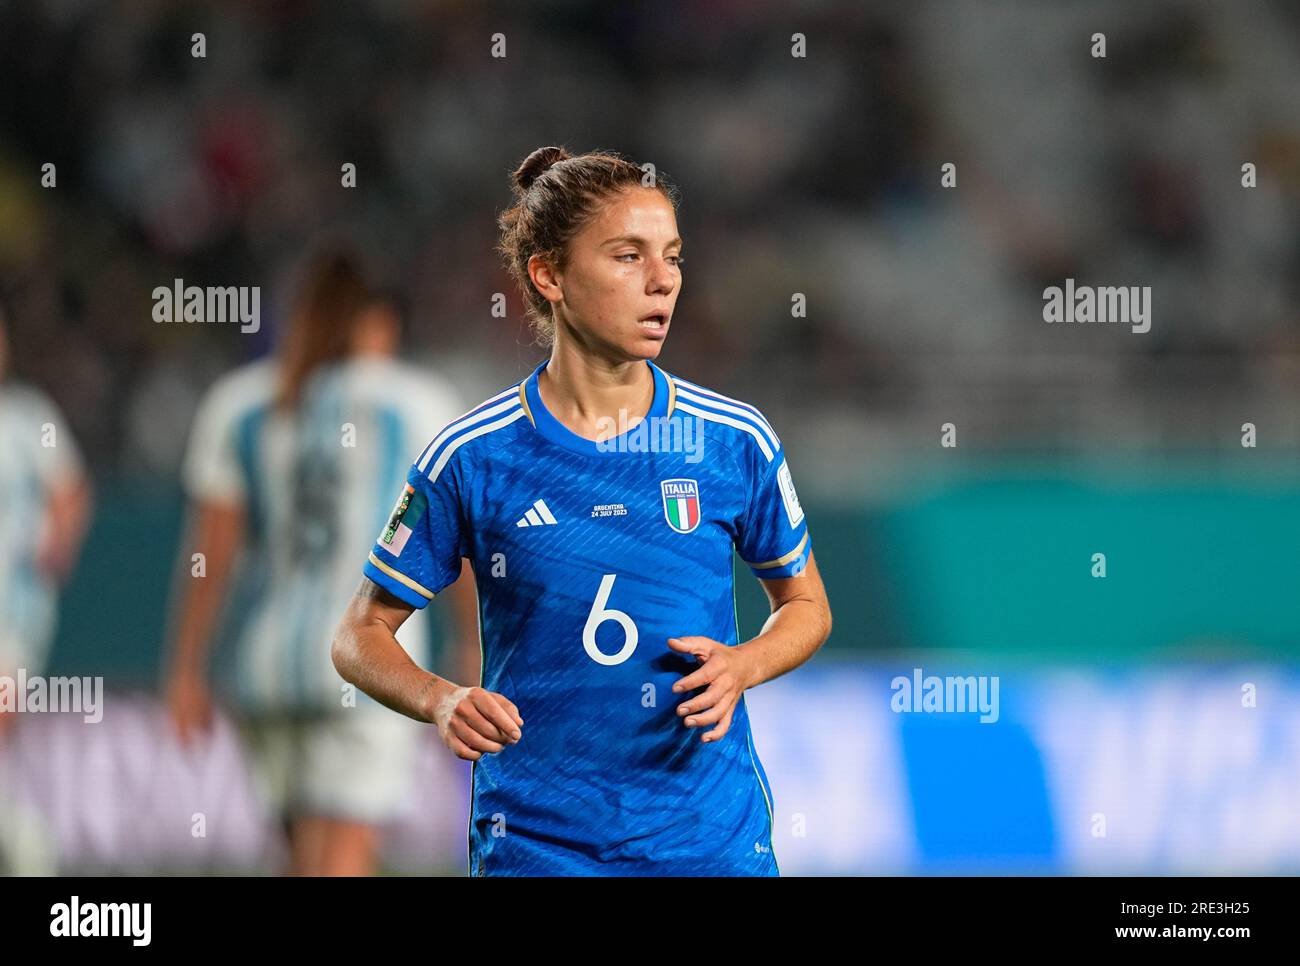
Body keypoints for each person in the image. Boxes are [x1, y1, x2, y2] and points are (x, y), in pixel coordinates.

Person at [332, 146, 832, 876]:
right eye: (628, 256)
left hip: (707, 842)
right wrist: (440, 699)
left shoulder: (732, 440)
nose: (663, 281)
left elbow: (807, 604)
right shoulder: (473, 456)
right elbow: (359, 633)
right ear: (549, 274)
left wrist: (743, 664)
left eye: (673, 257)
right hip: (538, 846)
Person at [163, 250, 477, 875]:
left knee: (305, 855)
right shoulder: (415, 402)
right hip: (370, 661)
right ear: (378, 322)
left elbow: (210, 558)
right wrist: (473, 642)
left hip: (266, 666)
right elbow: (455, 539)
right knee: (342, 853)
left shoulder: (242, 405)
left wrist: (186, 669)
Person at [0, 302, 94, 874]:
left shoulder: (26, 416)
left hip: (12, 613)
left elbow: (71, 490)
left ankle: (27, 846)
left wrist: (55, 548)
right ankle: (23, 841)